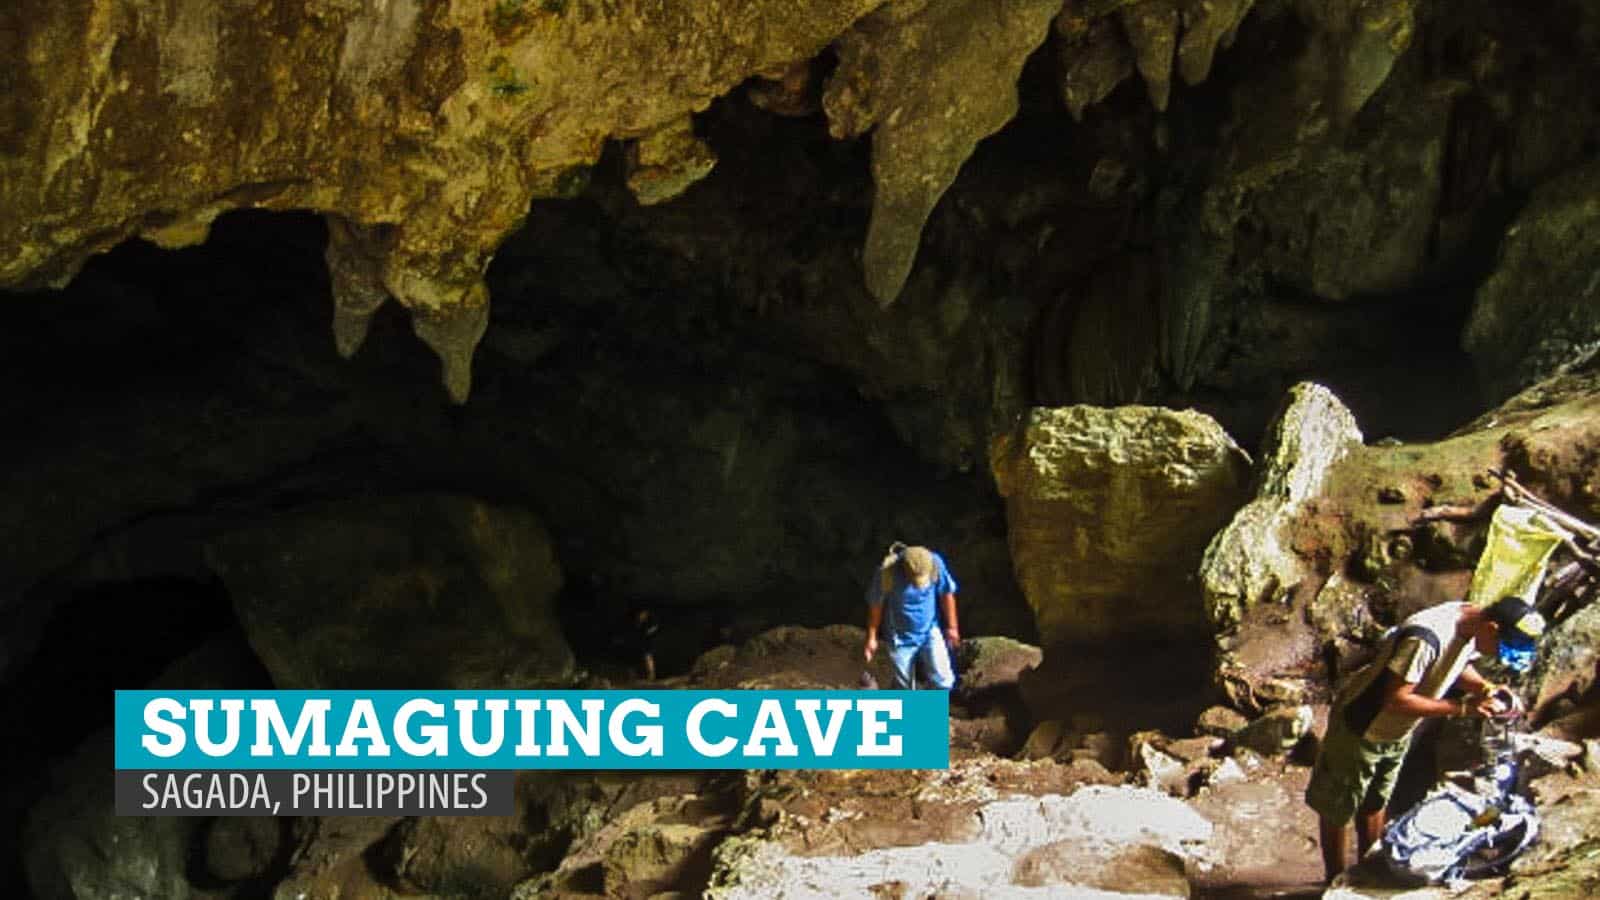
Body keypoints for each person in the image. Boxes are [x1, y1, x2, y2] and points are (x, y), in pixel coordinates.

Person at [1305, 594, 1547, 883]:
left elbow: (1456, 664)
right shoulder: (1425, 637)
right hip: (1361, 726)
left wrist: (1485, 687)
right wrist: (1463, 708)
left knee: (1375, 802)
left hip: (1397, 731)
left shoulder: (1471, 623)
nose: (1495, 656)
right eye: (1499, 649)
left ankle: (1367, 873)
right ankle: (1334, 878)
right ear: (1492, 628)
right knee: (1339, 806)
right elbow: (1395, 699)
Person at [863, 543, 960, 690]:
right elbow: (876, 606)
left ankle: (933, 708)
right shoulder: (887, 572)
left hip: (929, 630)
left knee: (944, 681)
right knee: (905, 687)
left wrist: (952, 627)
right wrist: (872, 637)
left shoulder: (935, 564)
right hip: (899, 637)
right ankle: (910, 708)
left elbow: (946, 593)